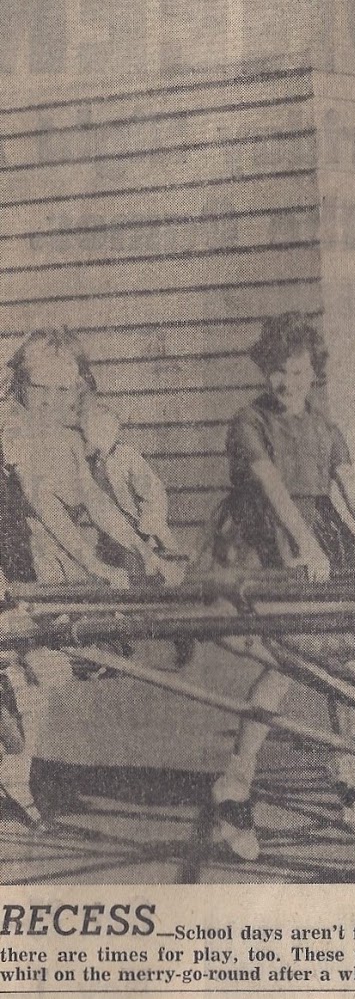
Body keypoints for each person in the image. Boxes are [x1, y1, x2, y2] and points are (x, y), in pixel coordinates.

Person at [201, 312, 355, 861]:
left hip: (322, 541)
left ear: (313, 371)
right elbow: (271, 487)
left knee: (344, 666)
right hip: (267, 542)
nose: (287, 382)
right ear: (266, 371)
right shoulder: (248, 421)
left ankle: (347, 770)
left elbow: (346, 491)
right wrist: (305, 545)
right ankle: (236, 782)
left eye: (297, 371)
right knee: (284, 663)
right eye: (278, 371)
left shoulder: (326, 428)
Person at [0, 330, 182, 824]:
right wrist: (95, 566)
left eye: (66, 390)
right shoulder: (13, 427)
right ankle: (16, 772)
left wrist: (143, 552)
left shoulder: (63, 435)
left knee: (47, 673)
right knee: (36, 664)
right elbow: (44, 506)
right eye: (44, 389)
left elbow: (92, 500)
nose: (56, 401)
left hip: (30, 563)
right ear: (20, 385)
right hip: (11, 561)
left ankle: (15, 770)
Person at [82, 402, 180, 560]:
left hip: (141, 523)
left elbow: (152, 491)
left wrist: (149, 520)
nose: (88, 437)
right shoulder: (93, 464)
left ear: (111, 431)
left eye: (96, 431)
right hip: (114, 530)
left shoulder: (126, 456)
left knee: (157, 553)